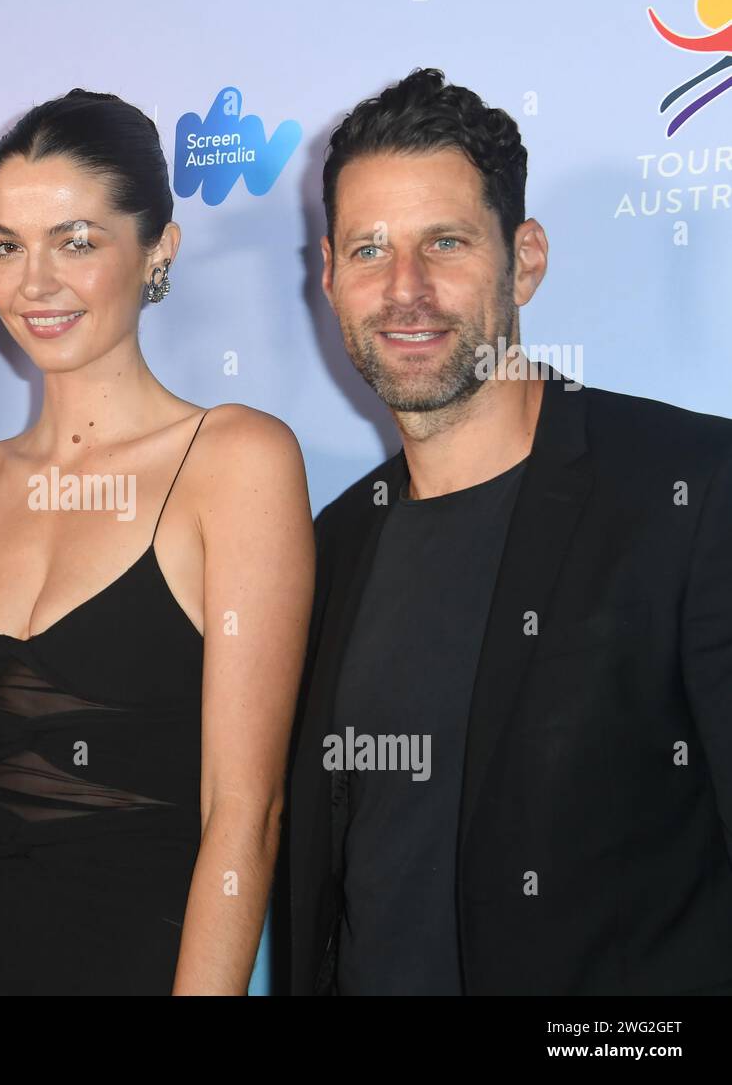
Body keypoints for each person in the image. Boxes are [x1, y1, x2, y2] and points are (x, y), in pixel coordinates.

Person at [288, 68, 732, 995]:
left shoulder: (690, 490)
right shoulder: (328, 548)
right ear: (328, 275)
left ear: (524, 257)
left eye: (444, 243)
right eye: (369, 250)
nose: (405, 290)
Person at [0, 89, 313, 995]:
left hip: (134, 962)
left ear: (159, 249)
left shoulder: (235, 459)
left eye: (77, 241)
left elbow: (244, 813)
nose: (33, 282)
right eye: (6, 244)